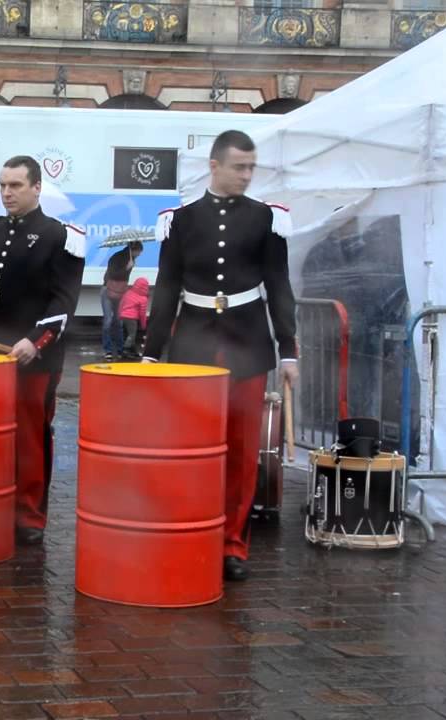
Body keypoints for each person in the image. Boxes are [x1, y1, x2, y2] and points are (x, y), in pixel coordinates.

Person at [142, 129, 298, 582]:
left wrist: (288, 351)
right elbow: (167, 288)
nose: (247, 176)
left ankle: (233, 543)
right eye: (239, 167)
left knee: (243, 449)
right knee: (191, 448)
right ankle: (192, 531)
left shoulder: (267, 219)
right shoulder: (181, 221)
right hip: (192, 344)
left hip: (249, 345)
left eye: (252, 168)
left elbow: (280, 288)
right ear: (214, 166)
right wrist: (151, 354)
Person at [0, 156, 87, 546]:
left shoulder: (60, 236)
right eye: (3, 185)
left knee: (29, 436)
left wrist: (34, 340)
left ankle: (29, 515)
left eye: (16, 186)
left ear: (37, 188)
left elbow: (63, 302)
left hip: (34, 359)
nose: (7, 193)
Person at [101, 241, 143, 362]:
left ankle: (119, 349)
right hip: (108, 290)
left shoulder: (131, 259)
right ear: (134, 249)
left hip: (121, 292)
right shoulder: (116, 257)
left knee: (118, 321)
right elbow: (112, 274)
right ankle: (108, 350)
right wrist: (127, 268)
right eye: (139, 252)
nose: (139, 254)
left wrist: (129, 268)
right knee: (108, 320)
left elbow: (124, 278)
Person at [117, 276, 150, 359]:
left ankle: (133, 351)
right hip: (132, 319)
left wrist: (119, 314)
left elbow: (121, 304)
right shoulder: (143, 298)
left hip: (123, 317)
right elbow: (142, 314)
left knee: (128, 335)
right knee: (132, 335)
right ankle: (125, 350)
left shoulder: (128, 293)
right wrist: (143, 325)